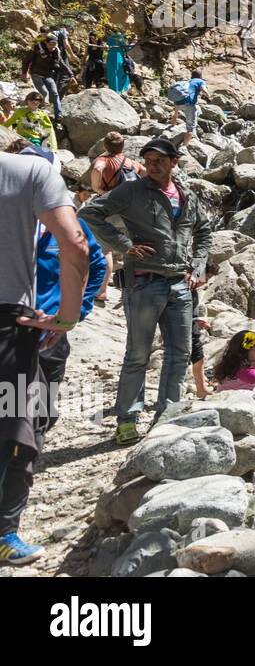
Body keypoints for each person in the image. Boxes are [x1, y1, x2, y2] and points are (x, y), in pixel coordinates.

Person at [79, 137, 213, 446]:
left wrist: (198, 264)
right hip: (143, 282)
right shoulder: (132, 191)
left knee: (179, 353)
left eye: (160, 160)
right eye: (149, 160)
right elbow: (89, 212)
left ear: (173, 162)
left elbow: (204, 231)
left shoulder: (187, 195)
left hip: (180, 284)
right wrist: (125, 245)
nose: (153, 165)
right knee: (138, 354)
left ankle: (166, 416)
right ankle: (126, 421)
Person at [0, 196, 105, 565]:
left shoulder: (65, 221)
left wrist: (73, 312)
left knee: (39, 421)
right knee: (15, 428)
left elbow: (93, 259)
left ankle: (9, 517)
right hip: (11, 335)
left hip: (48, 338)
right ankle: (6, 528)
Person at [90, 131, 145, 303]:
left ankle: (102, 291)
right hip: (132, 213)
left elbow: (97, 169)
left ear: (105, 146)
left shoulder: (103, 160)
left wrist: (97, 188)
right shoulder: (132, 163)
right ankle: (131, 293)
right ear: (123, 147)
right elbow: (146, 174)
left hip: (110, 212)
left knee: (105, 251)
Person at [21, 37, 70, 119]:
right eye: (50, 44)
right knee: (44, 92)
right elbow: (26, 60)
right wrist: (24, 73)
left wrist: (70, 74)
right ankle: (38, 110)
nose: (52, 47)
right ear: (46, 43)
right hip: (36, 74)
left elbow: (62, 64)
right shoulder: (37, 49)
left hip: (48, 75)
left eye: (54, 45)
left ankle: (58, 114)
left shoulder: (56, 52)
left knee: (55, 93)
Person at [169, 69, 210, 153]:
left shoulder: (187, 82)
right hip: (188, 105)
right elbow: (203, 89)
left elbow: (180, 99)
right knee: (190, 128)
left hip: (178, 103)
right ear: (201, 76)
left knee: (197, 109)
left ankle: (192, 129)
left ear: (191, 76)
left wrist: (175, 117)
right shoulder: (200, 81)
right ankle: (184, 147)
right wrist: (208, 95)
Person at [190, 274, 212, 399]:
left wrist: (197, 320)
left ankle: (201, 389)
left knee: (199, 358)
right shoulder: (184, 290)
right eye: (206, 278)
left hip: (193, 329)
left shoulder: (193, 291)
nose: (204, 282)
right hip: (183, 331)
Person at [104, 29, 130, 93]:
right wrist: (133, 43)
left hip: (110, 56)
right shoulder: (119, 36)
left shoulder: (109, 36)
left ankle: (113, 90)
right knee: (120, 73)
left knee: (111, 74)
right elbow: (127, 48)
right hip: (118, 56)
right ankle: (120, 90)